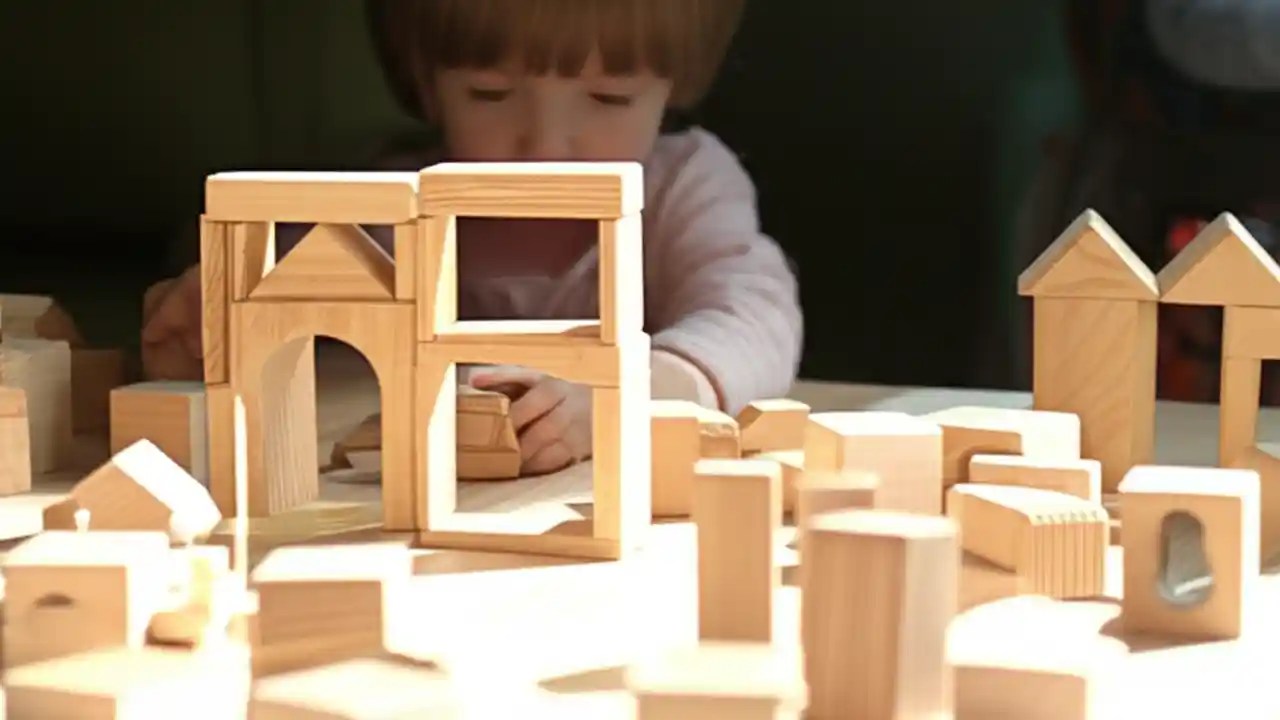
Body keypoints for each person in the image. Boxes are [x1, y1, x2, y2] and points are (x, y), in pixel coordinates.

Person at [140, 0, 804, 475]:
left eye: (609, 98)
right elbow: (277, 285)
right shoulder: (391, 201)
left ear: (674, 86)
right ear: (426, 85)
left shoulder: (683, 184)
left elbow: (752, 317)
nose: (545, 144)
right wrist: (210, 329)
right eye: (490, 93)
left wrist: (631, 391)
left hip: (601, 505)